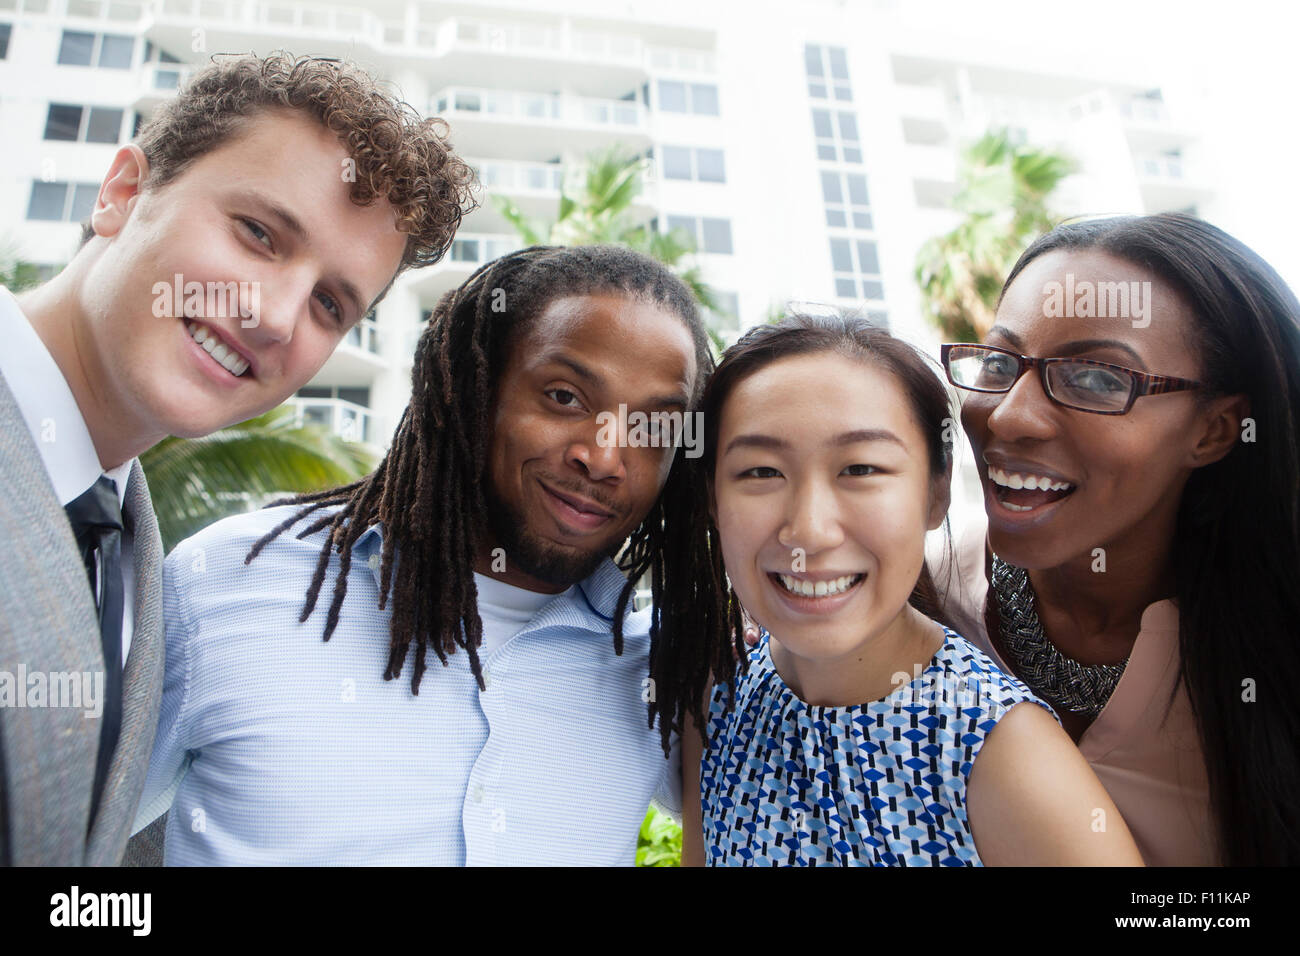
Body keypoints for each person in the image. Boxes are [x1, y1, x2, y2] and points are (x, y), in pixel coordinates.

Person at [0, 52, 474, 866]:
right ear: (121, 194)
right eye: (258, 234)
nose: (278, 317)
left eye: (331, 303)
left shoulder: (135, 549)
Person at [128, 244, 718, 865]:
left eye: (652, 427)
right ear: (473, 391)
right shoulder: (228, 583)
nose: (603, 457)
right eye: (565, 397)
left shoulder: (665, 670)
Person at [675, 314, 1142, 866]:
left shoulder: (999, 750)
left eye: (861, 468)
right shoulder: (720, 691)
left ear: (935, 494)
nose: (808, 530)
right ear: (712, 500)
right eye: (760, 472)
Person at [938, 212, 1300, 865]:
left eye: (1099, 379)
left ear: (1214, 431)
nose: (1011, 415)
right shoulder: (914, 598)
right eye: (1000, 362)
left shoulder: (1272, 653)